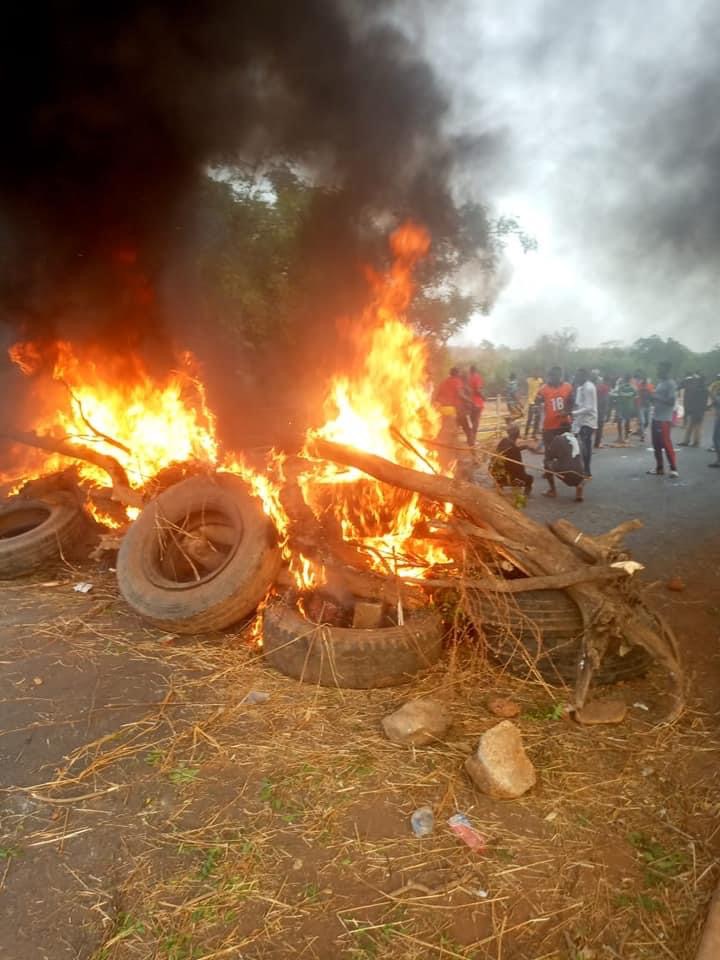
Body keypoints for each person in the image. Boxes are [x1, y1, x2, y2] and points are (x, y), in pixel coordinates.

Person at [647, 361, 678, 477]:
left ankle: (673, 468)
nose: (658, 371)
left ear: (665, 370)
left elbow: (671, 401)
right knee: (656, 444)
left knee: (666, 443)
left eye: (660, 369)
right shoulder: (660, 383)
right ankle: (659, 468)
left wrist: (656, 397)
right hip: (656, 417)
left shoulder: (671, 384)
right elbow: (658, 399)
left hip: (664, 419)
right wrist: (651, 398)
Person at [535, 367, 574, 453]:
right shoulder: (543, 389)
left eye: (555, 376)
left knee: (565, 452)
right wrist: (538, 410)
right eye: (551, 376)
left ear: (560, 376)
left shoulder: (567, 387)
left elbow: (571, 402)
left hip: (564, 425)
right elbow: (537, 402)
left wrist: (567, 411)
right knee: (549, 453)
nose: (552, 378)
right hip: (549, 426)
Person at [543, 423, 586, 501]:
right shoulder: (578, 440)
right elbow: (584, 456)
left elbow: (549, 456)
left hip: (566, 471)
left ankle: (552, 491)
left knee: (546, 462)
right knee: (578, 465)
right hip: (580, 473)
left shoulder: (558, 438)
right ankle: (579, 486)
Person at [433, 366, 473, 448]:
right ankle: (471, 448)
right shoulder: (457, 381)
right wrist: (469, 401)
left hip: (442, 410)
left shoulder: (443, 382)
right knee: (467, 430)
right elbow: (460, 394)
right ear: (457, 374)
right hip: (454, 410)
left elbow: (437, 396)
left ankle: (446, 450)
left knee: (447, 432)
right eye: (459, 373)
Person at [489, 425, 534, 495]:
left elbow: (510, 450)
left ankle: (499, 483)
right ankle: (527, 486)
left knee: (503, 469)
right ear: (517, 435)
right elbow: (519, 468)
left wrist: (524, 447)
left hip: (496, 473)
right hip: (509, 477)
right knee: (529, 478)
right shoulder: (515, 451)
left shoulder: (503, 441)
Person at [572, 368, 597, 477]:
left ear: (585, 377)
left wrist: (574, 413)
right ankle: (581, 468)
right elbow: (579, 404)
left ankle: (587, 470)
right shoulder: (580, 388)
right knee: (578, 444)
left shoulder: (589, 387)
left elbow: (589, 407)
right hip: (580, 419)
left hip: (589, 420)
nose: (576, 378)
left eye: (579, 376)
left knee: (585, 444)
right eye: (576, 376)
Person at [678, 372, 707, 447]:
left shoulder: (698, 389)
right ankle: (693, 442)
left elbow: (693, 399)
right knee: (696, 426)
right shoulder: (704, 389)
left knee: (694, 426)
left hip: (696, 409)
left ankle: (691, 442)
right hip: (699, 410)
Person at [610, 374, 637, 444]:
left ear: (624, 379)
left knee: (620, 421)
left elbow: (615, 395)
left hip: (621, 407)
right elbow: (635, 396)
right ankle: (626, 437)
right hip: (628, 407)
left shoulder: (620, 387)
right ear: (630, 380)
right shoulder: (633, 388)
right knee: (627, 421)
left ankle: (620, 437)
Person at [467, 364, 485, 445]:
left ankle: (471, 439)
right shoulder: (477, 377)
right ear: (476, 370)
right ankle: (473, 440)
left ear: (470, 371)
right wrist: (483, 397)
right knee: (476, 422)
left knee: (472, 421)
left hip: (470, 402)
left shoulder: (469, 378)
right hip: (477, 403)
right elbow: (478, 390)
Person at [634, 372, 654, 441]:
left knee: (647, 422)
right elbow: (636, 395)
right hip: (641, 405)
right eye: (643, 380)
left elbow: (652, 396)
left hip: (648, 405)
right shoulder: (639, 386)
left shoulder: (650, 386)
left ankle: (641, 430)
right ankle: (642, 435)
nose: (644, 381)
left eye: (645, 380)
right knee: (642, 421)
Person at [524, 370, 543, 439]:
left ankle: (534, 434)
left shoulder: (540, 380)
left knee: (537, 418)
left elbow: (541, 389)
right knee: (530, 419)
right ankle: (526, 434)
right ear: (533, 373)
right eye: (535, 372)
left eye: (538, 372)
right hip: (531, 401)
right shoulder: (529, 380)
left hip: (538, 402)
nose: (536, 374)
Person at [594, 375, 610, 448]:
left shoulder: (597, 387)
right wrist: (606, 409)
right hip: (601, 408)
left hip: (595, 407)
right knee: (600, 426)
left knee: (596, 425)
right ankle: (597, 443)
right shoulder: (606, 388)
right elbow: (605, 400)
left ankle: (597, 441)